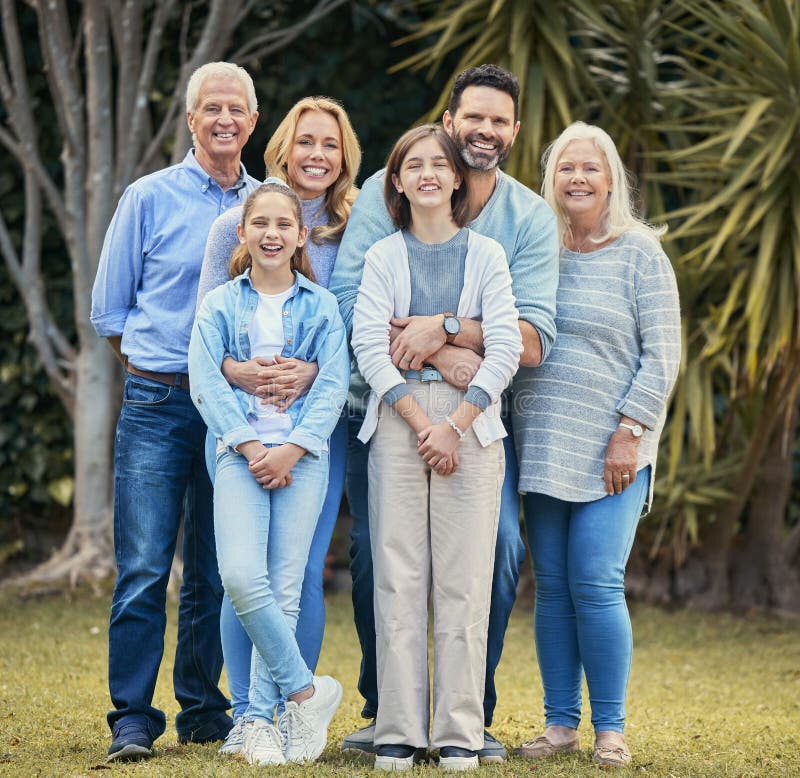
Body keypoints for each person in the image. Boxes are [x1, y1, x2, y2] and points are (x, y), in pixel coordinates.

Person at [328, 63, 559, 762]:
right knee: (381, 562)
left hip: (475, 418)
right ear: (451, 123)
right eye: (473, 118)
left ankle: (467, 720)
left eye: (499, 120)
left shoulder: (520, 224)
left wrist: (446, 335)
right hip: (391, 410)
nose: (485, 130)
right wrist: (436, 366)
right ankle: (390, 716)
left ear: (513, 131)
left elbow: (529, 337)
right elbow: (353, 314)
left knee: (490, 559)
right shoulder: (385, 205)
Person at [90, 62, 260, 761]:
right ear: (191, 119)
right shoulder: (147, 197)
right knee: (143, 567)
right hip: (157, 402)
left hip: (235, 410)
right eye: (211, 107)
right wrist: (160, 370)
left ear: (253, 121)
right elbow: (110, 312)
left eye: (237, 108)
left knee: (215, 569)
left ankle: (203, 708)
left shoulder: (265, 206)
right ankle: (132, 717)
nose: (224, 119)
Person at [352, 124, 522, 771]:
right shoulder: (382, 257)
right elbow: (370, 345)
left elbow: (504, 346)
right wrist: (424, 422)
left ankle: (458, 732)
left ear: (456, 178)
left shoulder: (487, 255)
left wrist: (456, 424)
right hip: (400, 419)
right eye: (413, 165)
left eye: (438, 164)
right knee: (398, 576)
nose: (427, 173)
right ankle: (397, 729)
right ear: (396, 181)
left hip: (472, 424)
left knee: (465, 579)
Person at [511, 121, 681, 767]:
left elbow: (663, 355)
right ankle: (560, 726)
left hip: (614, 449)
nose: (577, 178)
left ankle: (610, 728)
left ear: (611, 179)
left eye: (590, 167)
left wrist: (629, 432)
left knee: (597, 581)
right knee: (553, 588)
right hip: (541, 444)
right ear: (550, 179)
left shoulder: (640, 253)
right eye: (566, 167)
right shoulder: (537, 251)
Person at [196, 96, 360, 756]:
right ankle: (279, 701)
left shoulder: (350, 232)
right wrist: (242, 398)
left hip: (309, 440)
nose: (317, 154)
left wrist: (298, 431)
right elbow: (206, 356)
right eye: (306, 141)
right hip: (239, 439)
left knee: (291, 578)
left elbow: (341, 357)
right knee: (242, 574)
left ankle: (269, 720)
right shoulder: (228, 252)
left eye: (330, 144)